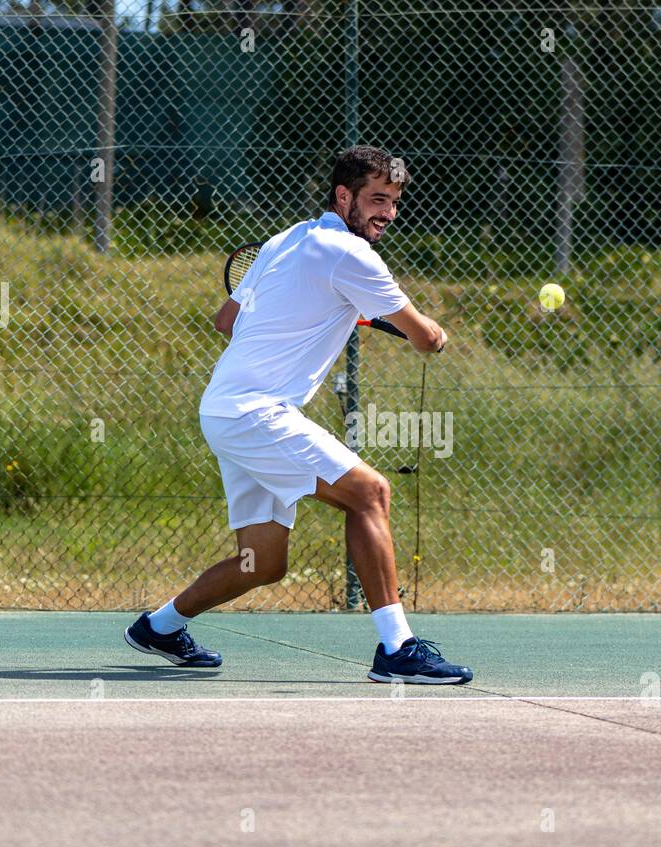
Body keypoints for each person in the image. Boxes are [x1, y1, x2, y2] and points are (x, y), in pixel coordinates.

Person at [124, 146, 473, 685]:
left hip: (226, 410)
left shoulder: (283, 240)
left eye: (395, 202)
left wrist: (321, 315)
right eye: (377, 199)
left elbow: (226, 320)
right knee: (370, 492)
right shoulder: (351, 256)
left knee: (261, 563)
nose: (388, 213)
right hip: (255, 412)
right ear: (343, 196)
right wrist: (436, 334)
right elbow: (424, 339)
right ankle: (397, 649)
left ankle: (159, 627)